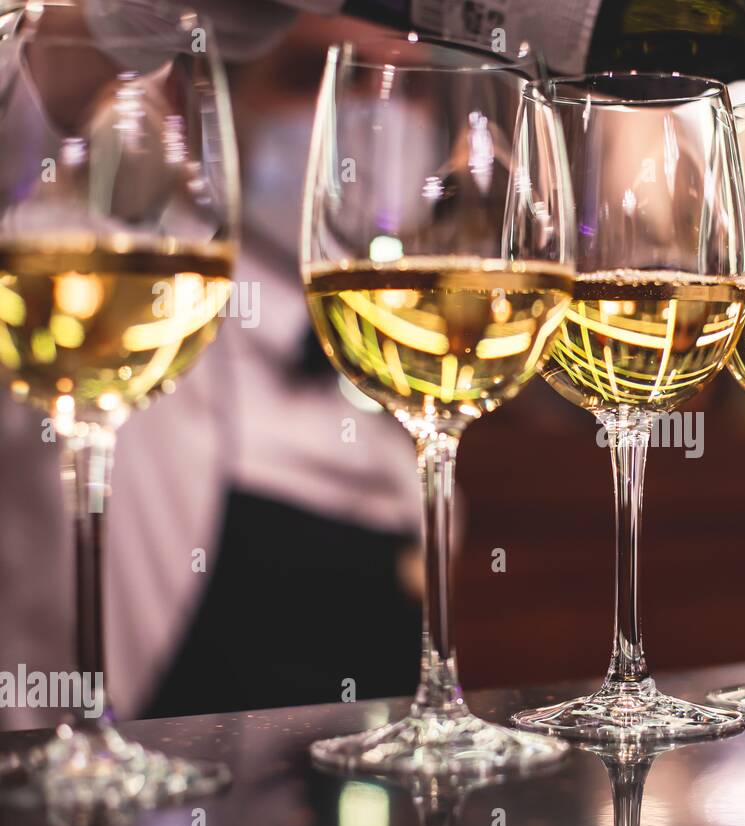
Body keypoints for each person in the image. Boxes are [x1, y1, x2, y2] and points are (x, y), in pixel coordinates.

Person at [0, 9, 427, 728]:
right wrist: (121, 23)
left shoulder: (395, 342)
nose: (364, 113)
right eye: (305, 78)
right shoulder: (126, 303)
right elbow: (24, 106)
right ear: (209, 117)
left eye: (400, 88)